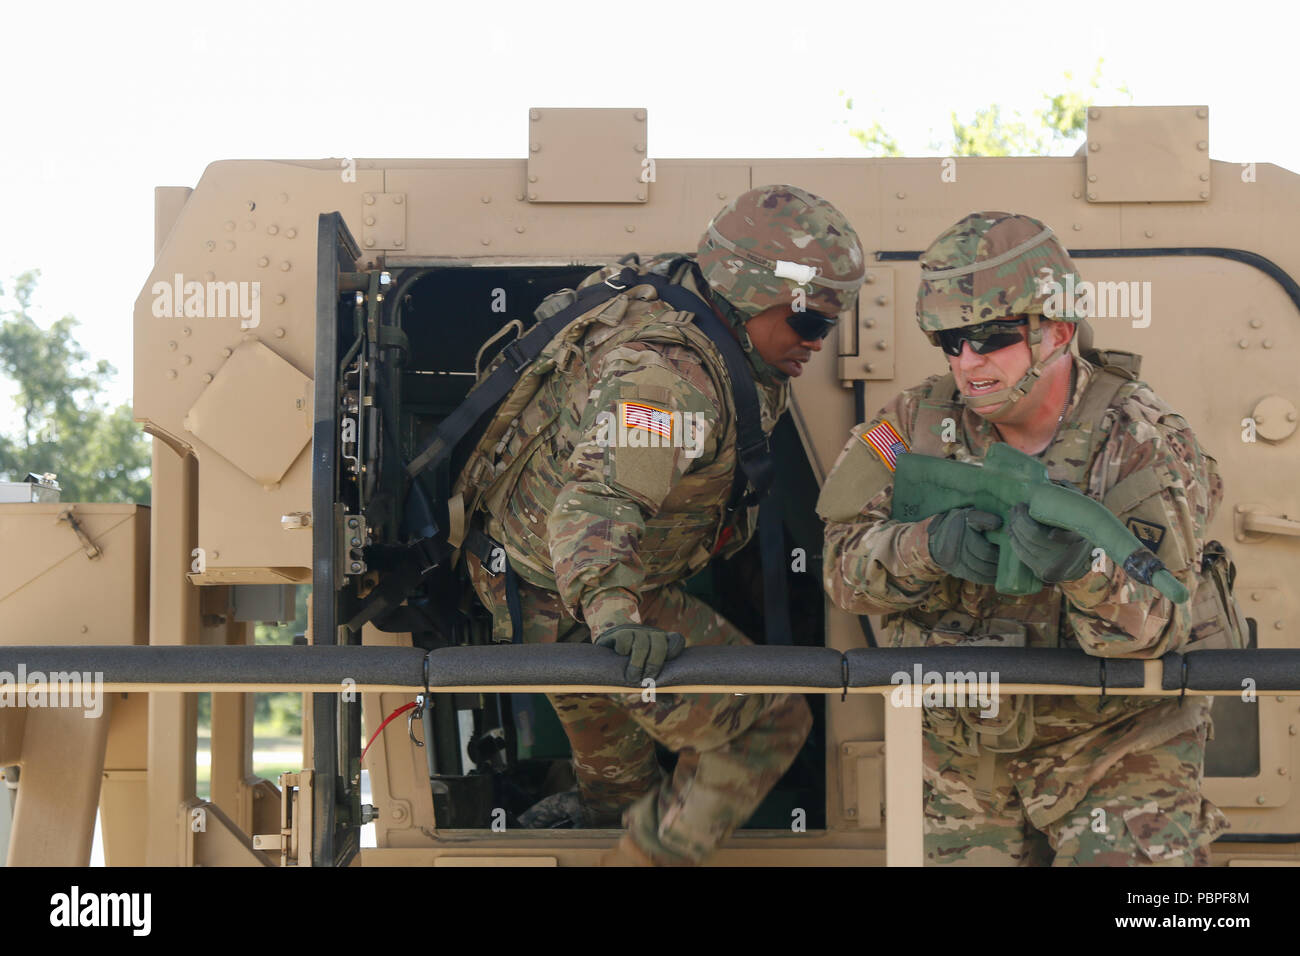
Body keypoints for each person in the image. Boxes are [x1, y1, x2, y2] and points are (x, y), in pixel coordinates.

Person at [464, 185, 866, 864]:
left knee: (619, 782)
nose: (816, 345)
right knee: (770, 722)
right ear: (746, 293)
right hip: (577, 592)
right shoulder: (670, 378)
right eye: (809, 325)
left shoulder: (676, 299)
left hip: (529, 585)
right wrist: (616, 616)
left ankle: (612, 820)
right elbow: (599, 502)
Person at [818, 211, 1231, 866]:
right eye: (950, 341)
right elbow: (840, 571)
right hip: (963, 759)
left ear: (1058, 330)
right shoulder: (909, 425)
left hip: (1115, 756)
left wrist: (1084, 568)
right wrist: (927, 545)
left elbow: (1157, 628)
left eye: (990, 335)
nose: (967, 361)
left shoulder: (1144, 440)